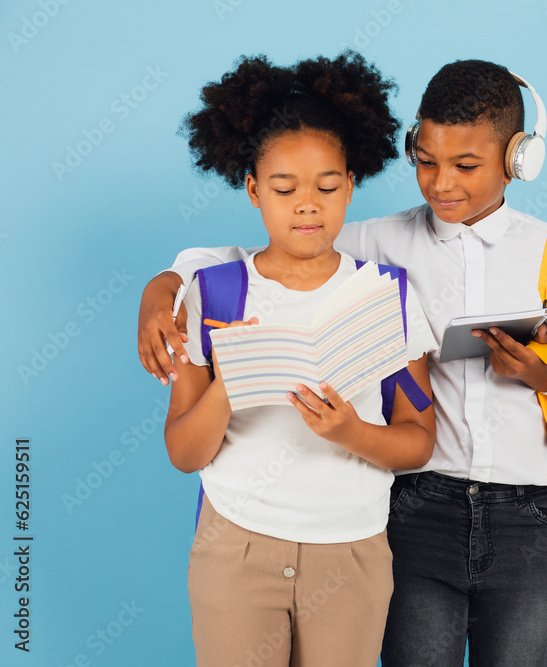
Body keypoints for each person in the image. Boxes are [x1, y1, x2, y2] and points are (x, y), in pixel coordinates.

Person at [141, 59, 547, 666]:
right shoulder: (379, 242)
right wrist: (163, 286)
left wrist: (545, 374)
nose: (441, 183)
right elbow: (270, 251)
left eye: (466, 166)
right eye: (425, 160)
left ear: (518, 158)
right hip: (417, 504)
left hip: (530, 512)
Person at [161, 52, 437, 666]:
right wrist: (227, 387)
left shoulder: (387, 297)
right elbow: (183, 452)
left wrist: (352, 431)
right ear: (256, 190)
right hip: (235, 549)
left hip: (353, 553)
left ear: (352, 184)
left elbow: (418, 438)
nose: (307, 204)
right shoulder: (214, 295)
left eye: (327, 186)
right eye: (285, 189)